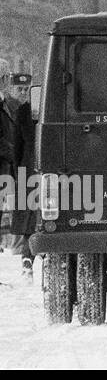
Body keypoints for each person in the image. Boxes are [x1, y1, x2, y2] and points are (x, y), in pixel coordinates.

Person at [0, 64, 36, 281]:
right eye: (19, 89)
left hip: (20, 169)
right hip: (12, 168)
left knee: (28, 212)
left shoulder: (24, 110)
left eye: (26, 89)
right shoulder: (15, 109)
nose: (23, 92)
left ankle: (24, 254)